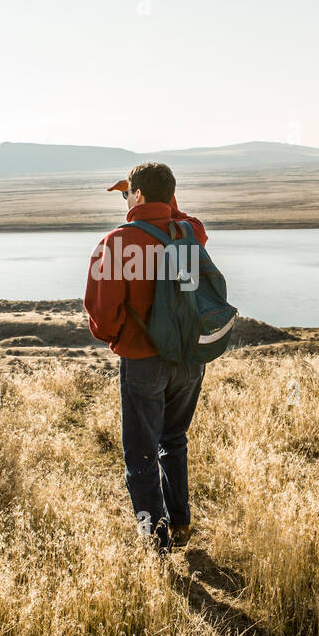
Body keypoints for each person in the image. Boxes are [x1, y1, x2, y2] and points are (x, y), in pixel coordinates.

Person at [83, 162, 208, 552]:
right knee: (174, 439)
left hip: (142, 362)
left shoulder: (118, 243)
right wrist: (159, 199)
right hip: (189, 359)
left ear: (136, 195)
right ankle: (181, 523)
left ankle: (156, 542)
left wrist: (121, 338)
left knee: (140, 453)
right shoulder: (190, 232)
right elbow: (180, 218)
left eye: (129, 194)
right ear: (170, 194)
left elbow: (101, 315)